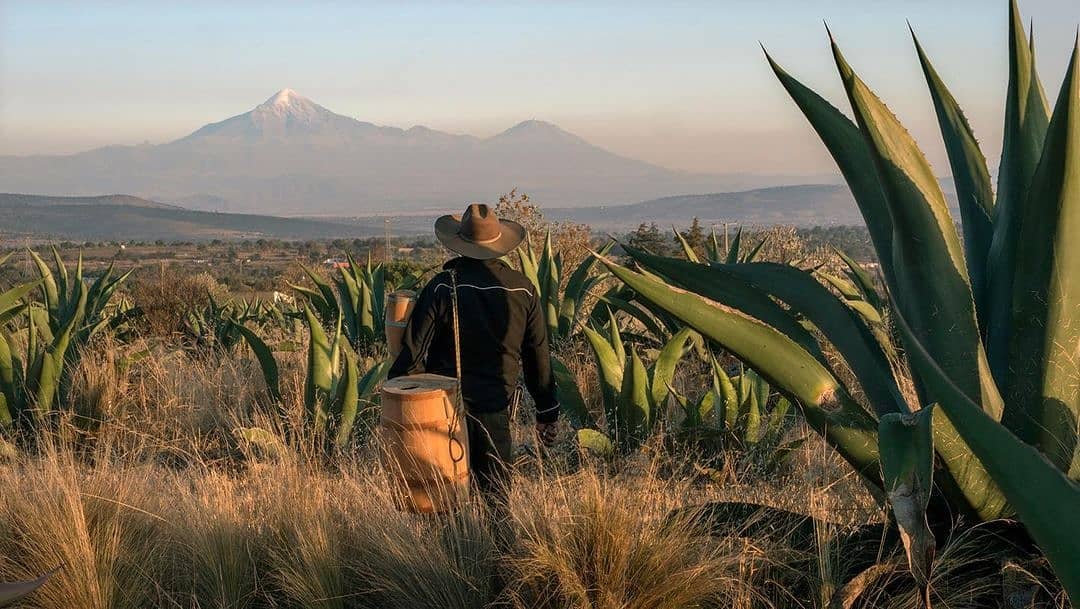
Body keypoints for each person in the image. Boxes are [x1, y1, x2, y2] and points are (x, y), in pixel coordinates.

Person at [388, 203, 559, 495]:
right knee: (496, 500)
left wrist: (402, 406)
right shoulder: (522, 289)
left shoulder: (442, 287)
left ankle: (451, 543)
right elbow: (537, 357)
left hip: (442, 410)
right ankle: (498, 543)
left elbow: (413, 355)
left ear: (459, 244)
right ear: (499, 244)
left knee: (443, 501)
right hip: (495, 408)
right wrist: (547, 412)